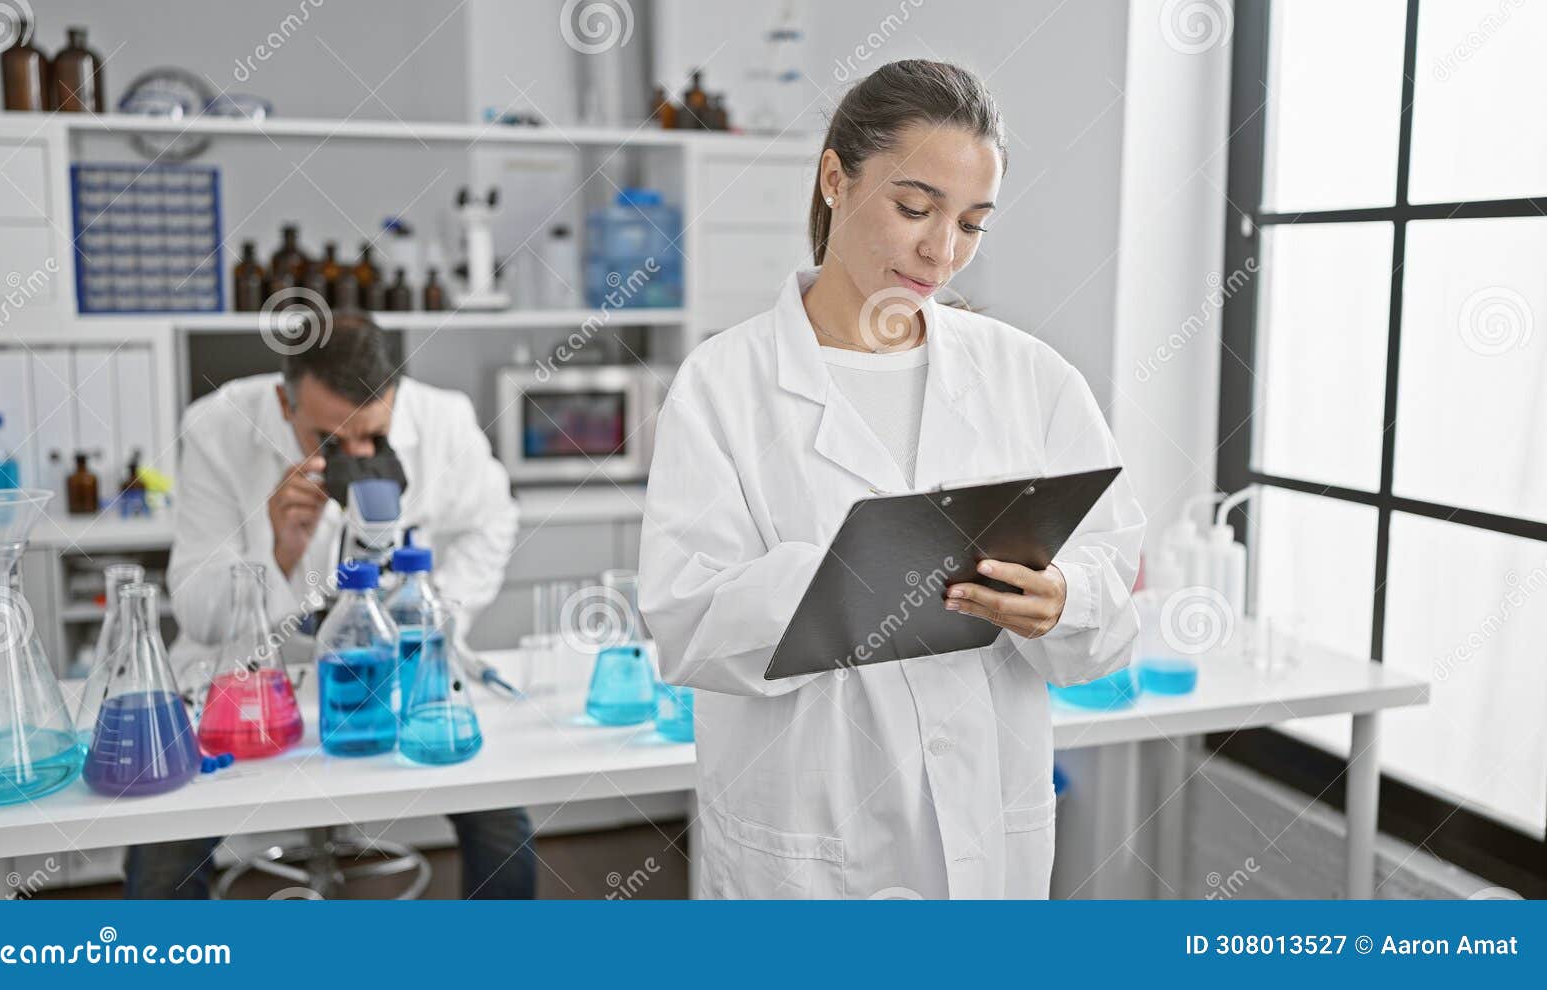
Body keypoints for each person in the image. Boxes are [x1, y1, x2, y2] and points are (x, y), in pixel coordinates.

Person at [637, 60, 1146, 899]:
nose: (941, 251)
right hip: (806, 849)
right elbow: (685, 622)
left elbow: (1113, 601)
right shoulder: (723, 386)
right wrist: (853, 576)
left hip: (985, 832)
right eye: (914, 208)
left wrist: (1066, 601)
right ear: (835, 178)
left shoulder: (1033, 377)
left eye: (972, 223)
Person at [126, 312, 536, 899]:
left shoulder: (443, 420)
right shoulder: (219, 428)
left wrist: (430, 612)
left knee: (501, 821)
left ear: (395, 397)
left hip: (401, 670)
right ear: (284, 402)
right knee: (165, 847)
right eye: (330, 440)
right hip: (256, 675)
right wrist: (279, 553)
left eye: (373, 435)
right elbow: (197, 612)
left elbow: (493, 522)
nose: (357, 455)